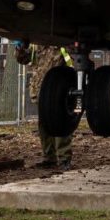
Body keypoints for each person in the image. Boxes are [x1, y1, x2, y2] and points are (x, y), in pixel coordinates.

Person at [15, 42, 74, 170]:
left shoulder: (62, 45)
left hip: (58, 91)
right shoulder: (36, 45)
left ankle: (64, 158)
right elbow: (23, 59)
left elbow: (72, 62)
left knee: (60, 123)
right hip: (40, 91)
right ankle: (49, 157)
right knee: (44, 125)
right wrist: (20, 48)